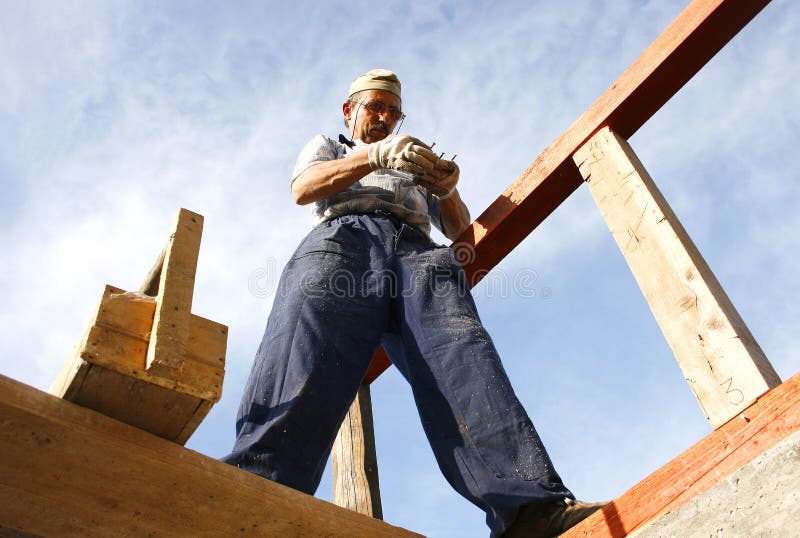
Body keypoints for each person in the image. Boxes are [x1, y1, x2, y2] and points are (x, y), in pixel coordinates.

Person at [224, 69, 603, 537]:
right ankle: (250, 493)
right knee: (304, 354)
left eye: (393, 112)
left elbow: (460, 231)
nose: (384, 117)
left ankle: (528, 510)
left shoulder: (412, 170)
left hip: (417, 252)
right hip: (343, 241)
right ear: (350, 111)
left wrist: (445, 186)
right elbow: (304, 186)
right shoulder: (331, 145)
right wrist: (374, 156)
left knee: (461, 355)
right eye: (374, 107)